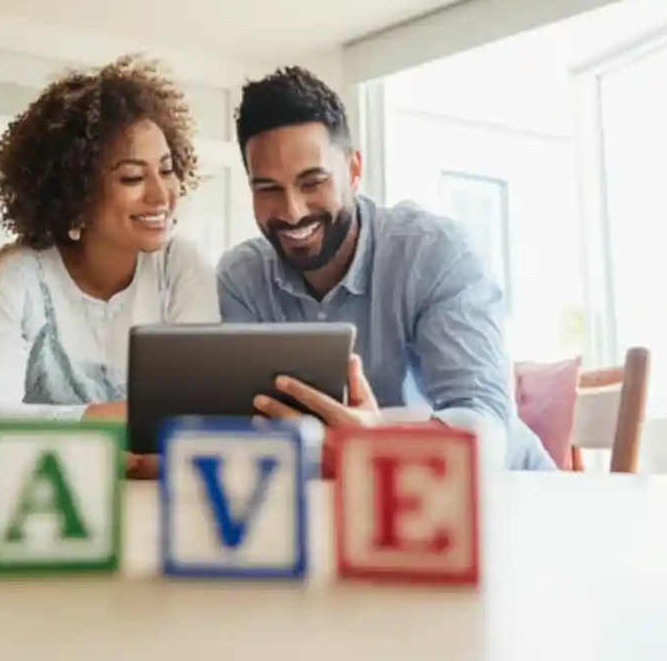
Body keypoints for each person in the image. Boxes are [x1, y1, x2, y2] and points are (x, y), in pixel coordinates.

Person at [216, 66, 554, 470]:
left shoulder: (434, 252)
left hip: (513, 491)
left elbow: (486, 426)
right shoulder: (241, 279)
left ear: (354, 169)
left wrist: (376, 444)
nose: (292, 211)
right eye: (268, 189)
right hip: (353, 499)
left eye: (313, 183)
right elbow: (250, 427)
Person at [0, 56, 219, 472]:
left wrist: (79, 434)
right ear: (75, 192)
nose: (161, 195)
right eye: (132, 178)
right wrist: (130, 430)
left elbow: (202, 420)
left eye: (166, 170)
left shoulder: (180, 266)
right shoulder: (19, 276)